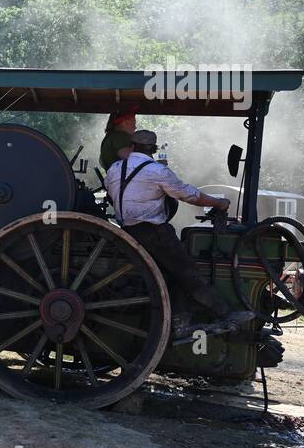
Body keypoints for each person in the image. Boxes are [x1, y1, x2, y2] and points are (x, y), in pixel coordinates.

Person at [103, 129, 255, 338]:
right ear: (154, 150)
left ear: (131, 147)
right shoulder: (157, 171)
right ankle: (225, 314)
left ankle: (179, 322)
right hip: (153, 233)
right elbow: (188, 194)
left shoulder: (114, 170)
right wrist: (219, 203)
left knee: (172, 274)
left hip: (127, 234)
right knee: (188, 273)